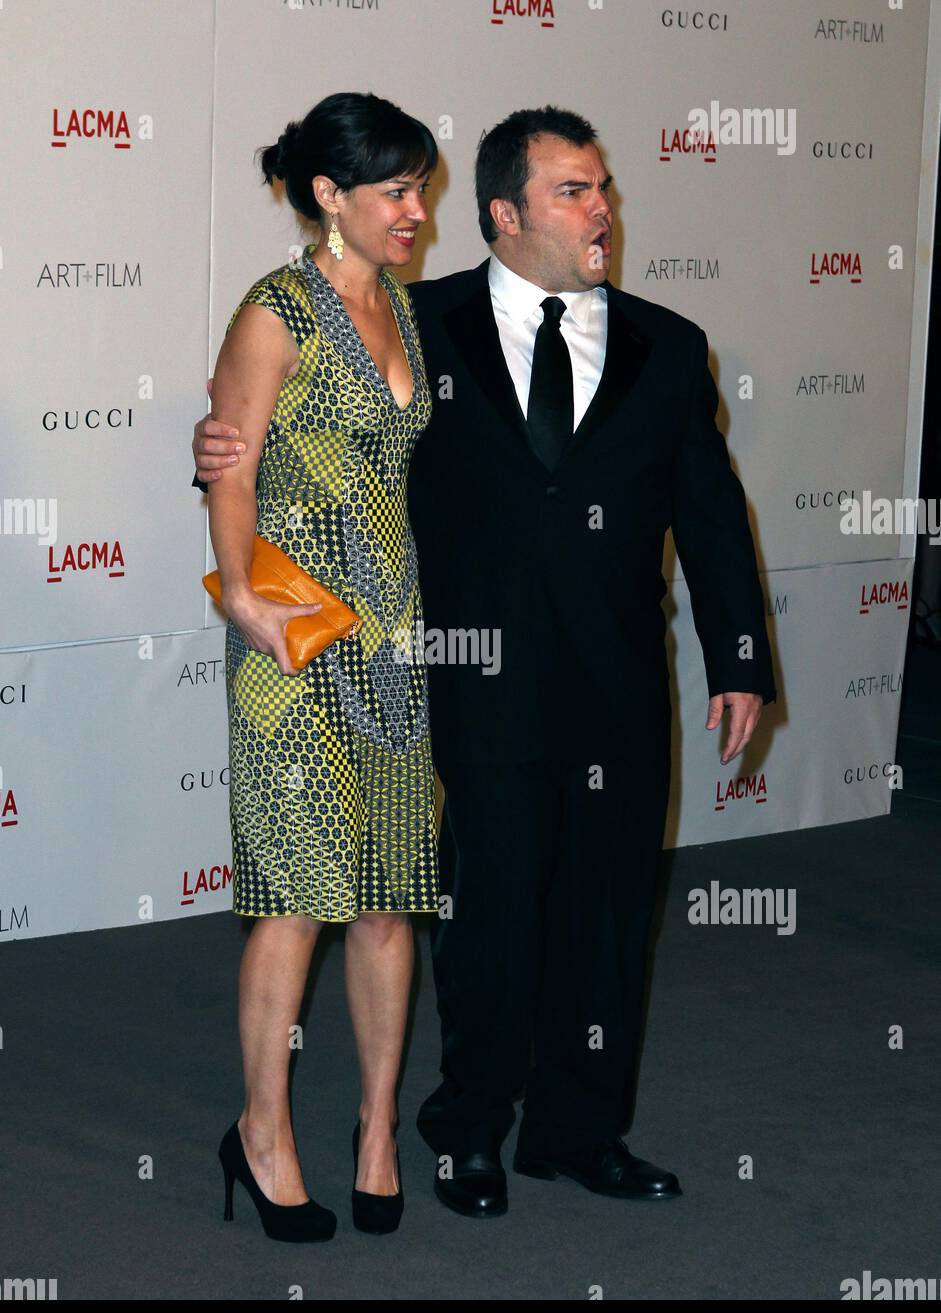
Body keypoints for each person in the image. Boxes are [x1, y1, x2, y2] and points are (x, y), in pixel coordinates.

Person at [194, 105, 777, 1222]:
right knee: (483, 909)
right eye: (572, 190)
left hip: (613, 679)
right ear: (504, 215)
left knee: (606, 916)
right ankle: (465, 1133)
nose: (600, 208)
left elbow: (708, 515)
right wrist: (214, 449)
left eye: (602, 187)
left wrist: (738, 655)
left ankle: (579, 1131)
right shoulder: (425, 321)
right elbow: (302, 423)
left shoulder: (666, 344)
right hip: (462, 670)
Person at [198, 92, 440, 1242]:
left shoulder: (400, 302)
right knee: (294, 898)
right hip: (294, 640)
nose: (415, 209)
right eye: (393, 190)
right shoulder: (275, 309)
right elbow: (228, 459)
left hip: (393, 637)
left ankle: (378, 1128)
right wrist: (243, 593)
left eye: (421, 186)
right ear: (327, 196)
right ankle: (262, 1133)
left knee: (391, 897)